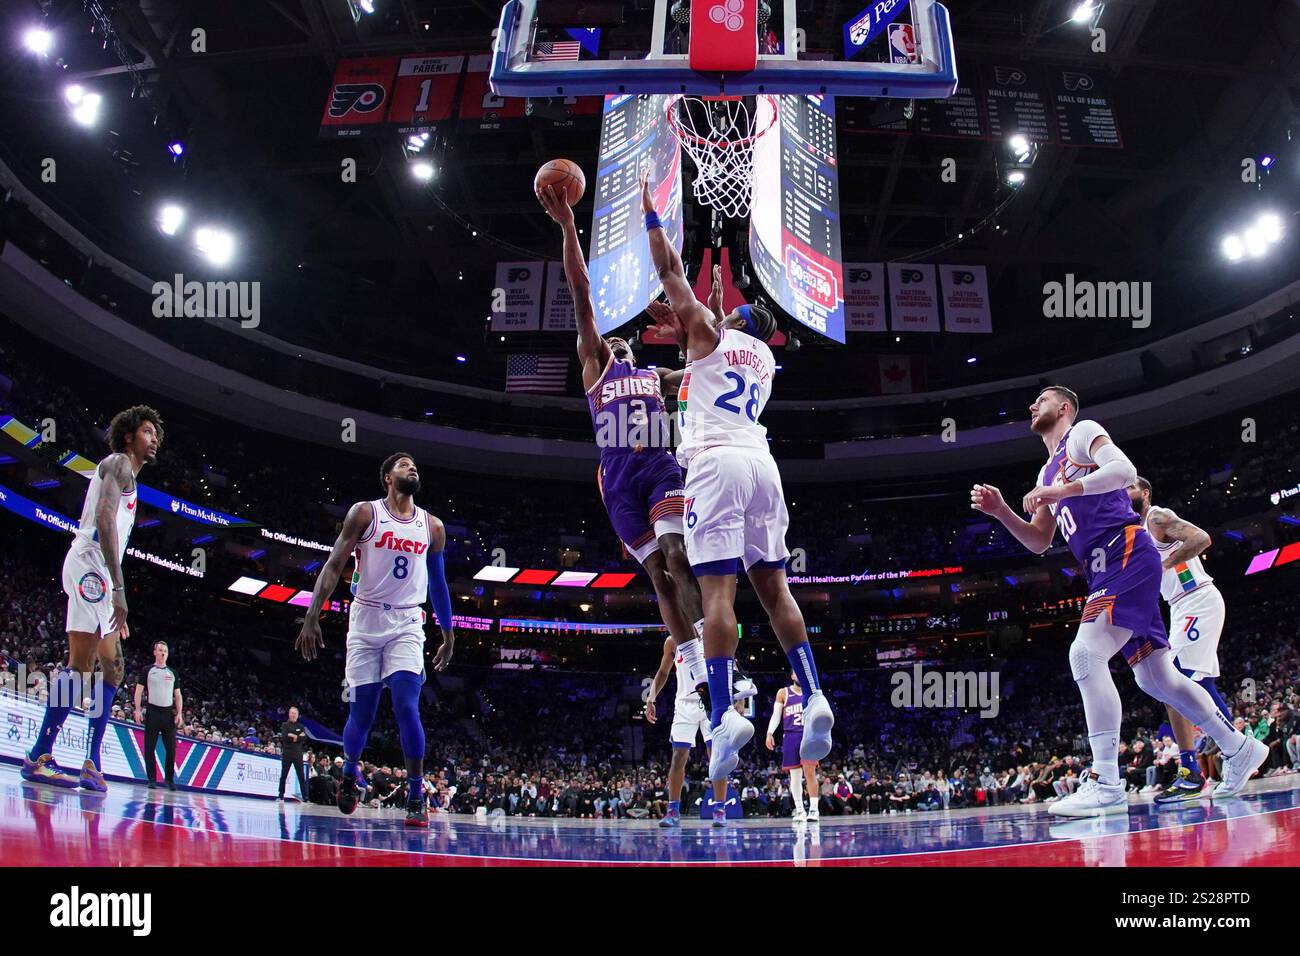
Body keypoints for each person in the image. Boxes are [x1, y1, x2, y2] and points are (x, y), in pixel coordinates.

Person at [971, 386, 1268, 816]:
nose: (1033, 406)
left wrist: (1063, 491)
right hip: (1103, 568)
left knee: (1085, 654)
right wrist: (1001, 512)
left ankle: (1106, 780)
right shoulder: (1044, 474)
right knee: (1155, 679)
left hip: (1124, 550)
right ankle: (1238, 748)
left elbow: (1124, 470)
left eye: (1043, 399)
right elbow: (1038, 541)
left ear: (1065, 408)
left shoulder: (1081, 434)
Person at [639, 172, 834, 809]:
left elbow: (670, 269)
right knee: (775, 591)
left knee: (717, 595)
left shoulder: (709, 333)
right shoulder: (763, 359)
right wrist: (705, 313)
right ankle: (815, 694)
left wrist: (652, 218)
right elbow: (716, 332)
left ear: (734, 319)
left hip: (716, 466)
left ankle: (723, 716)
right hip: (763, 465)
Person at [537, 183, 716, 717]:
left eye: (623, 341)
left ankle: (712, 643)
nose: (616, 342)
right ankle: (693, 664)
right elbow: (579, 291)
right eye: (609, 340)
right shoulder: (595, 366)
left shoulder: (654, 375)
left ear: (633, 348)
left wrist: (718, 330)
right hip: (617, 481)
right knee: (657, 572)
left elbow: (708, 364)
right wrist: (569, 225)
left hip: (660, 466)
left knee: (679, 556)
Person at [295, 453, 456, 827]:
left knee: (406, 706)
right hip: (365, 618)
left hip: (407, 622)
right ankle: (349, 773)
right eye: (403, 465)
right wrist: (312, 614)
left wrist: (448, 633)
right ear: (387, 478)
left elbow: (439, 582)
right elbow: (335, 562)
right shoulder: (364, 513)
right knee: (362, 713)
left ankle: (417, 795)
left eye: (415, 464)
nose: (412, 467)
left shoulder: (432, 527)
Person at [23, 406, 163, 792]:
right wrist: (118, 590)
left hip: (100, 574)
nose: (154, 439)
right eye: (148, 432)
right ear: (129, 435)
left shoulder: (132, 480)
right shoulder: (118, 463)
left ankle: (91, 762)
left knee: (113, 668)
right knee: (80, 667)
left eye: (156, 434)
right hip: (91, 568)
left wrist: (113, 598)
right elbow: (103, 521)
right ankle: (38, 757)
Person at [1127, 477, 1234, 804]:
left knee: (1172, 679)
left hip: (1197, 598)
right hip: (1180, 607)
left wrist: (1163, 565)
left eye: (1131, 487)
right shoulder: (1134, 532)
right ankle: (1234, 756)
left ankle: (1195, 769)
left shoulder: (1157, 516)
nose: (1125, 492)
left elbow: (1201, 538)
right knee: (1197, 686)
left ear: (1145, 493)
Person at [645, 635, 726, 827]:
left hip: (711, 702)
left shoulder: (712, 635)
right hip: (684, 704)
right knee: (678, 757)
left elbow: (730, 666)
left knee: (717, 756)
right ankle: (673, 810)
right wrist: (651, 697)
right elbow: (663, 671)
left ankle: (720, 808)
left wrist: (736, 700)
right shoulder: (672, 641)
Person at [765, 672, 820, 822]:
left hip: (808, 735)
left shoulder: (813, 693)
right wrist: (770, 733)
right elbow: (776, 715)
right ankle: (800, 810)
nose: (799, 675)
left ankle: (814, 810)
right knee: (795, 776)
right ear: (792, 676)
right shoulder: (783, 692)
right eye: (796, 672)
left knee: (810, 772)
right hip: (790, 736)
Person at [133, 640, 182, 790]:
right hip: (152, 711)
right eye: (160, 650)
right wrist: (137, 709)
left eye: (165, 651)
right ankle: (152, 779)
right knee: (149, 747)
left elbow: (178, 695)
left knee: (171, 749)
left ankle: (169, 779)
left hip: (168, 714)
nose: (162, 653)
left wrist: (179, 713)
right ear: (154, 652)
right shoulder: (147, 670)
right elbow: (139, 691)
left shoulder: (173, 673)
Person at [277, 706, 308, 802]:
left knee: (301, 776)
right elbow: (285, 737)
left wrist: (294, 736)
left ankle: (305, 797)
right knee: (284, 775)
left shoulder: (301, 726)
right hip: (287, 753)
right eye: (292, 713)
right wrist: (297, 737)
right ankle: (281, 795)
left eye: (295, 713)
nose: (293, 715)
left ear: (298, 715)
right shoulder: (285, 725)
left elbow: (304, 738)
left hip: (298, 753)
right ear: (289, 714)